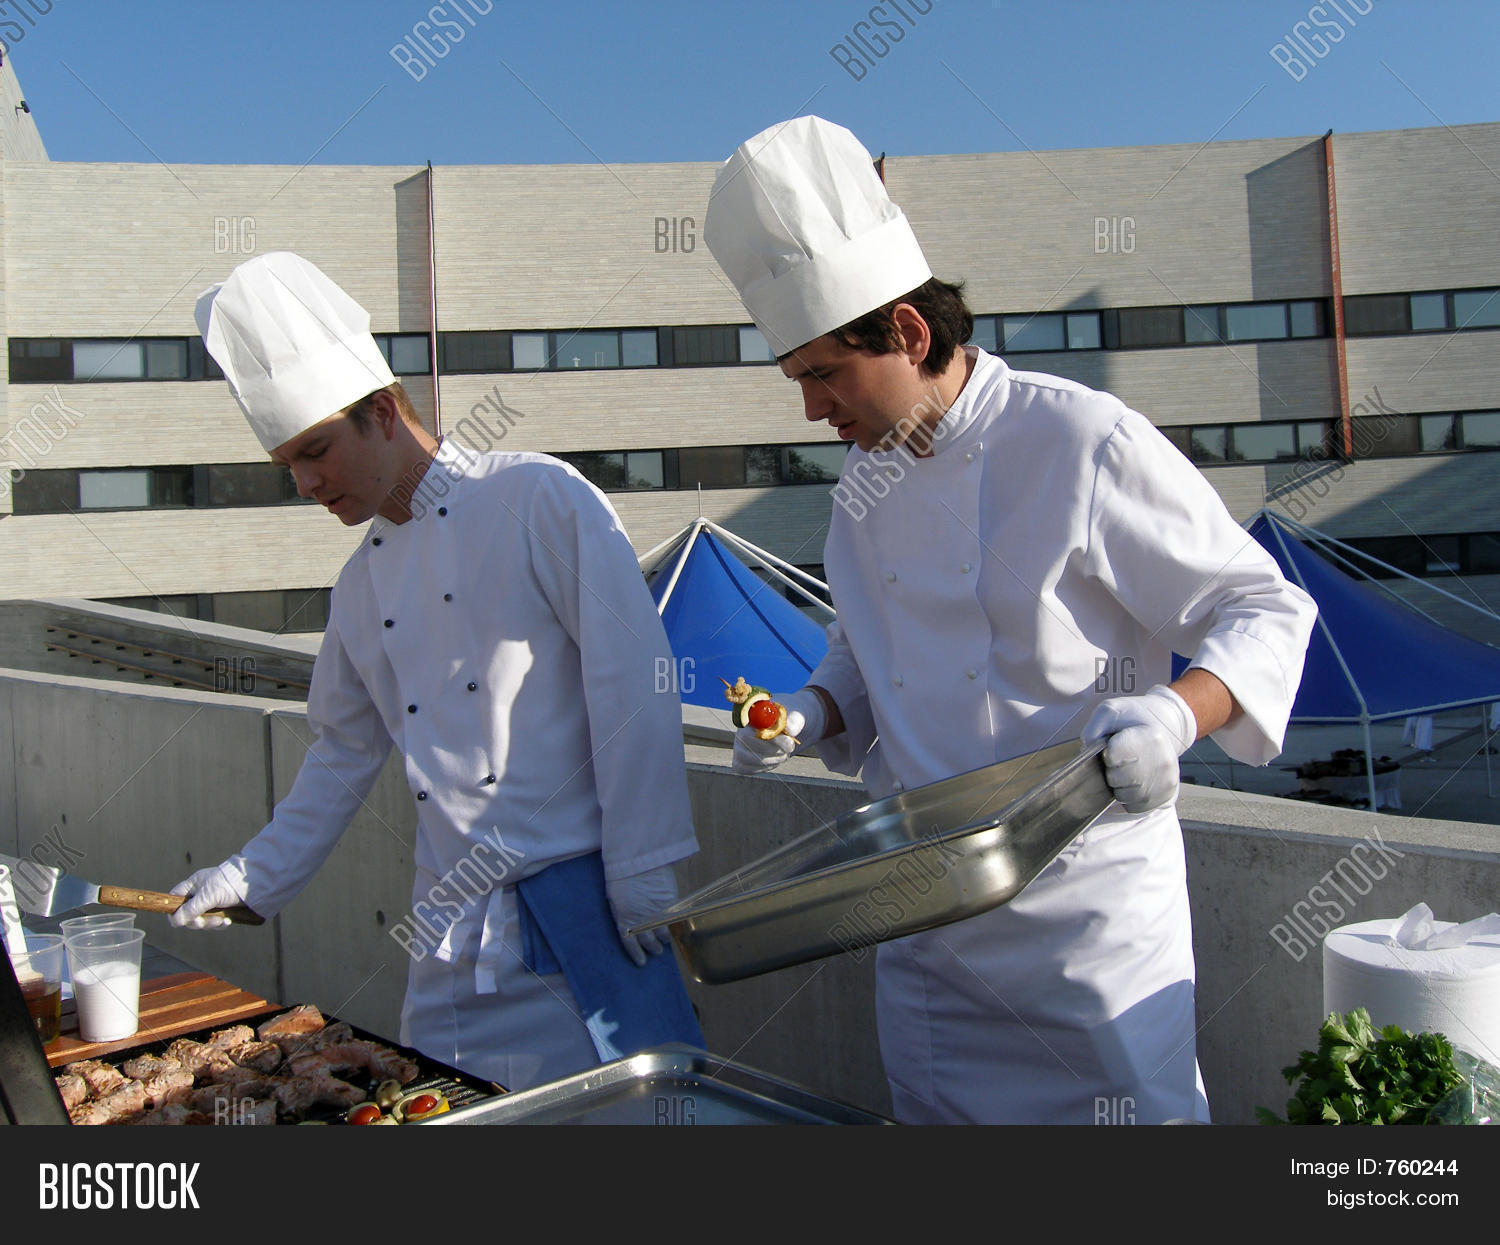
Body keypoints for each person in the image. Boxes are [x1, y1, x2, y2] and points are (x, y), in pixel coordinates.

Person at [703, 116, 1318, 1124]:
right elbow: (868, 653)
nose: (814, 410)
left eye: (825, 374)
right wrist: (808, 712)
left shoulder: (1080, 440)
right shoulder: (861, 485)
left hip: (1084, 931)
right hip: (929, 927)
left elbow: (1260, 607)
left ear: (906, 331)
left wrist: (1171, 716)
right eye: (800, 379)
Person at [173, 252, 702, 1092]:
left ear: (383, 411)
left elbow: (634, 676)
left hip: (580, 919)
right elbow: (342, 750)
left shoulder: (539, 498)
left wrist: (643, 867)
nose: (308, 483)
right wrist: (253, 873)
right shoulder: (358, 585)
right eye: (290, 466)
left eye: (316, 450)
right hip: (448, 936)